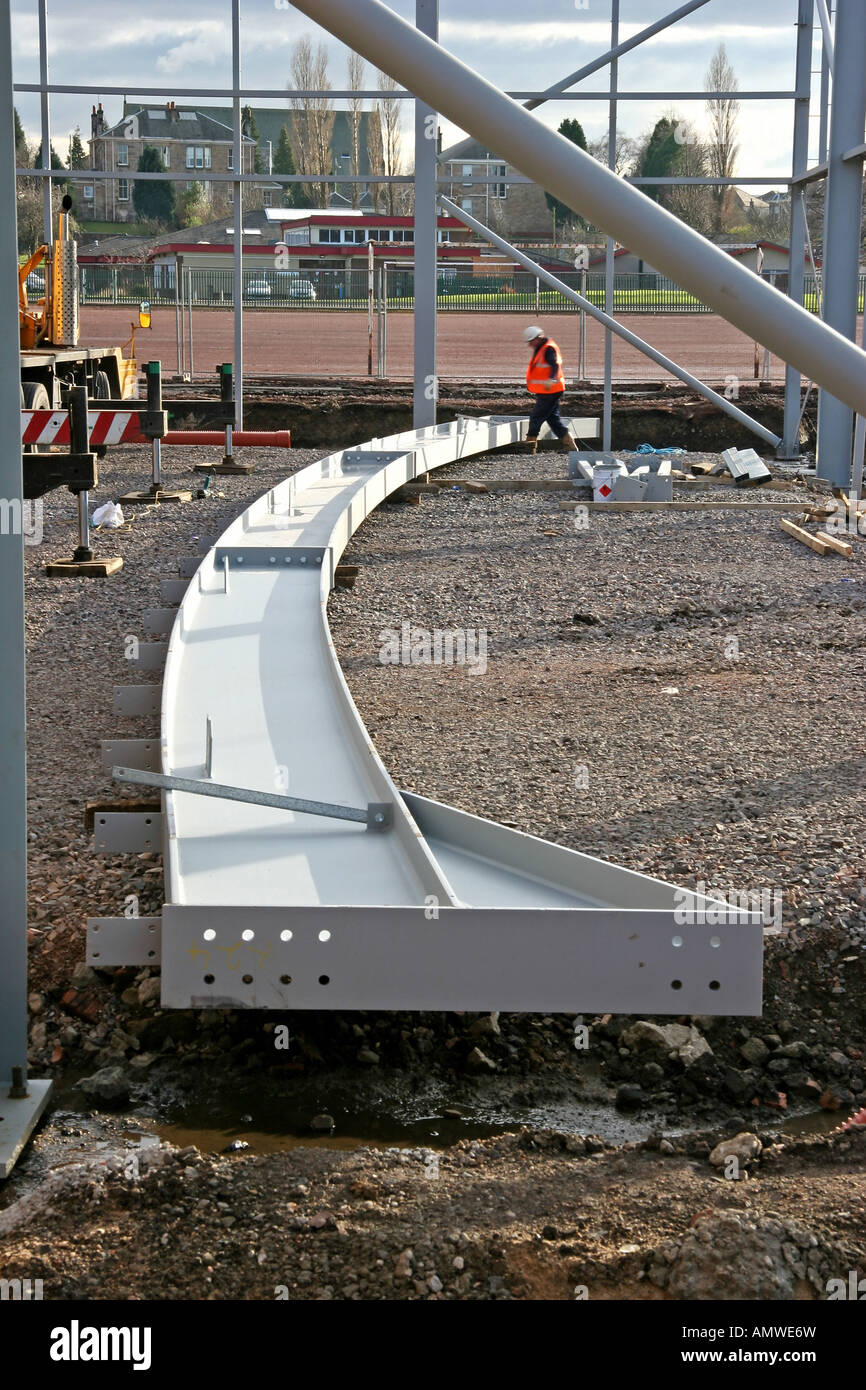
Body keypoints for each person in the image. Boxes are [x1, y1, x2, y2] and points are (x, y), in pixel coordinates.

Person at [522, 325, 578, 454]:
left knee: (536, 416)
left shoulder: (548, 349)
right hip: (548, 391)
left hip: (551, 391)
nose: (530, 345)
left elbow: (555, 364)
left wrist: (552, 379)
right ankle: (569, 445)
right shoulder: (541, 348)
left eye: (531, 341)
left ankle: (530, 445)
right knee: (553, 419)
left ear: (538, 338)